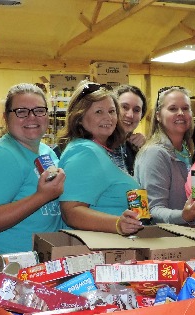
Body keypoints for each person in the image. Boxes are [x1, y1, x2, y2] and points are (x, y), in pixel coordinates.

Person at [0, 83, 65, 254]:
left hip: (38, 262)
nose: (32, 118)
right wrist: (41, 196)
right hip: (6, 265)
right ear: (6, 117)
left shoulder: (46, 151)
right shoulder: (0, 157)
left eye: (39, 110)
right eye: (21, 112)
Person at [58, 81, 144, 235]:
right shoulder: (85, 152)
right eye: (99, 112)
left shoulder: (100, 150)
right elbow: (70, 212)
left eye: (112, 111)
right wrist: (117, 224)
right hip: (99, 250)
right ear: (79, 117)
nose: (108, 118)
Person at [134, 86, 195, 224]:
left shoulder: (191, 152)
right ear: (158, 115)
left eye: (186, 108)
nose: (181, 113)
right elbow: (153, 210)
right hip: (167, 239)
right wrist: (184, 216)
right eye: (173, 108)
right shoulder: (154, 154)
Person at [115, 84, 147, 175]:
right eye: (124, 107)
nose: (130, 115)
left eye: (136, 110)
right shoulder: (101, 144)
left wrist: (145, 148)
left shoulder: (133, 146)